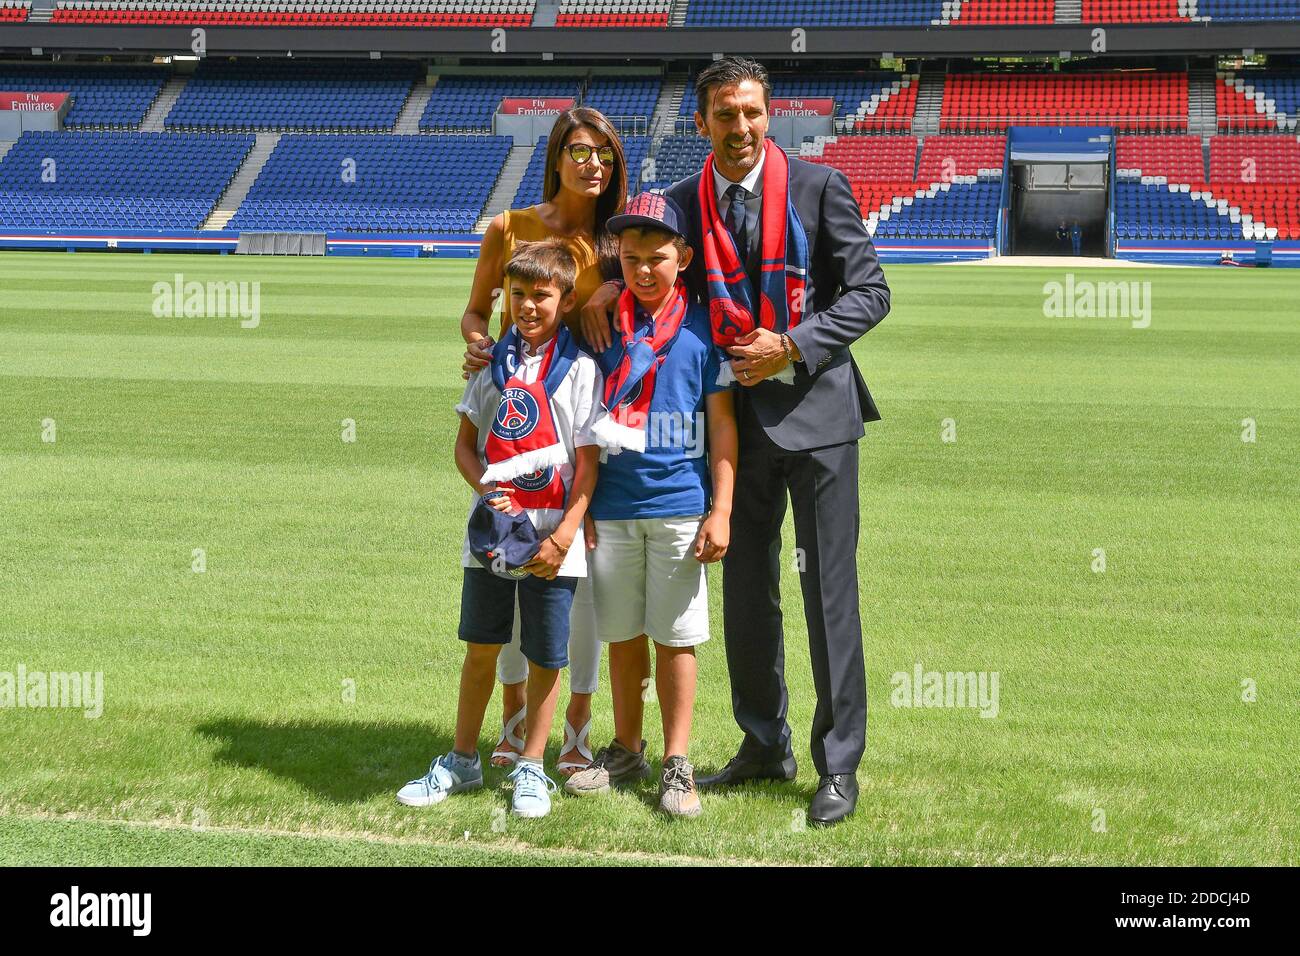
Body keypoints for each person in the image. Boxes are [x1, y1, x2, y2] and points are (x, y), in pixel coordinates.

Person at [661, 56, 890, 826]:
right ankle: (764, 743)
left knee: (828, 597)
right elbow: (650, 286)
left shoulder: (820, 186)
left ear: (771, 114)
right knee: (746, 596)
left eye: (752, 113)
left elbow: (871, 292)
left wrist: (791, 344)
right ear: (702, 123)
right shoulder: (682, 205)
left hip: (821, 422)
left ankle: (838, 764)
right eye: (725, 115)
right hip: (732, 431)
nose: (741, 128)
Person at [398, 239, 603, 818]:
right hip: (494, 530)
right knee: (482, 647)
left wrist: (566, 533)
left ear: (564, 299)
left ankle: (533, 768)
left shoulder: (581, 369)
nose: (530, 305)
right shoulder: (491, 367)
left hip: (553, 533)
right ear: (506, 299)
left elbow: (588, 464)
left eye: (543, 295)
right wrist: (487, 491)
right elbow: (465, 448)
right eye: (519, 295)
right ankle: (463, 760)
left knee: (545, 655)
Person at [457, 107, 630, 776]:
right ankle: (513, 718)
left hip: (595, 424)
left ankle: (578, 729)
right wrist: (477, 344)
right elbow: (478, 311)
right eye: (582, 152)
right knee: (509, 563)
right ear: (556, 156)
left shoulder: (618, 239)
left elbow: (655, 291)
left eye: (607, 157)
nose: (594, 166)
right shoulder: (511, 228)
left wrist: (606, 288)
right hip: (517, 428)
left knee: (580, 584)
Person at [563, 193, 738, 817]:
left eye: (657, 258)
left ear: (683, 258)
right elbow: (581, 420)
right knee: (623, 635)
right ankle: (627, 747)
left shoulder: (701, 331)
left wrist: (720, 509)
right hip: (611, 505)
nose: (643, 270)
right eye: (630, 258)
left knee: (677, 637)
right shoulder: (602, 323)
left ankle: (677, 760)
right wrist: (578, 512)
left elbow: (721, 427)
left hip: (679, 504)